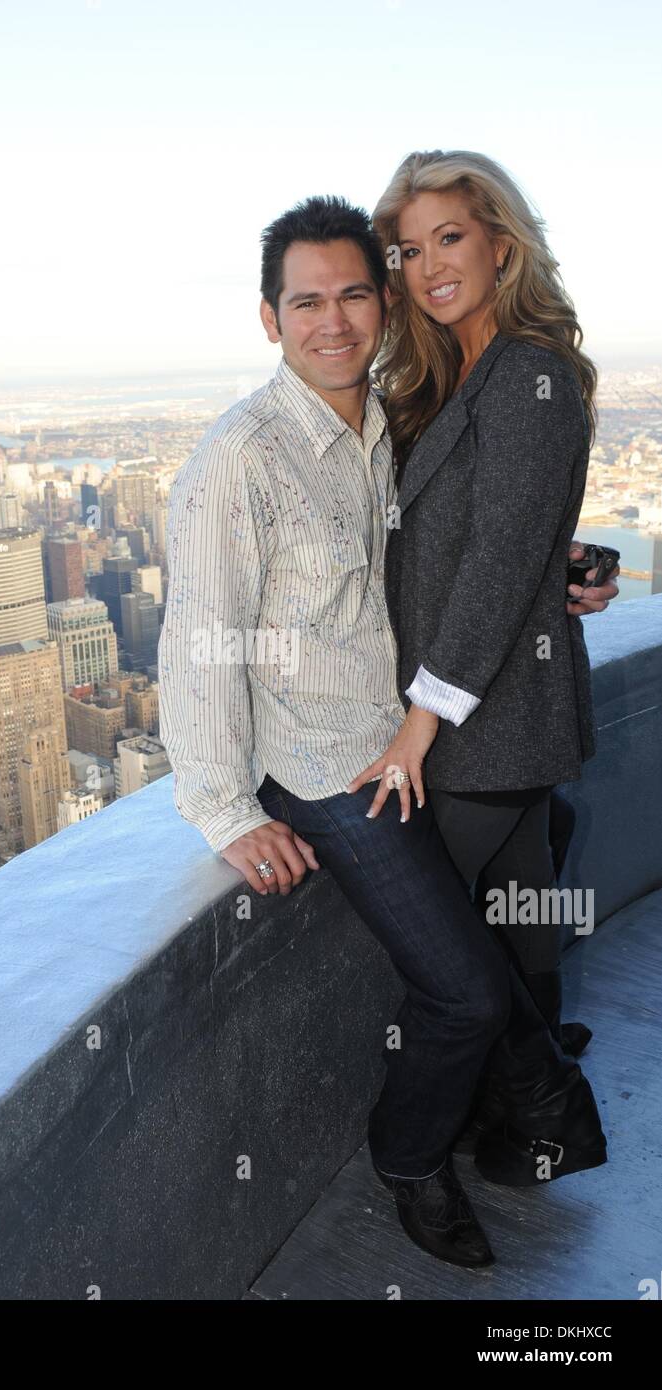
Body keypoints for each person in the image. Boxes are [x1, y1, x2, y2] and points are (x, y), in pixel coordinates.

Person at [157, 195, 615, 1270]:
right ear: (269, 319)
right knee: (459, 988)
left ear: (382, 297)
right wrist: (223, 810)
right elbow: (201, 644)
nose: (332, 320)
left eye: (354, 292)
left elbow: (451, 555)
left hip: (412, 741)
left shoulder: (385, 420)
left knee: (509, 912)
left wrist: (557, 573)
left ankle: (528, 1064)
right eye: (304, 301)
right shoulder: (240, 459)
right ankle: (410, 1157)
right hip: (328, 767)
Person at [356, 150, 607, 1148]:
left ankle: (474, 1128)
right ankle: (526, 1112)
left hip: (480, 725)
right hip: (498, 722)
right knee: (514, 913)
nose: (425, 266)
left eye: (447, 237)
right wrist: (569, 563)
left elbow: (497, 563)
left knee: (440, 949)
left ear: (500, 243)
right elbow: (482, 542)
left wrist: (415, 729)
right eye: (407, 249)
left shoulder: (530, 375)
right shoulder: (443, 373)